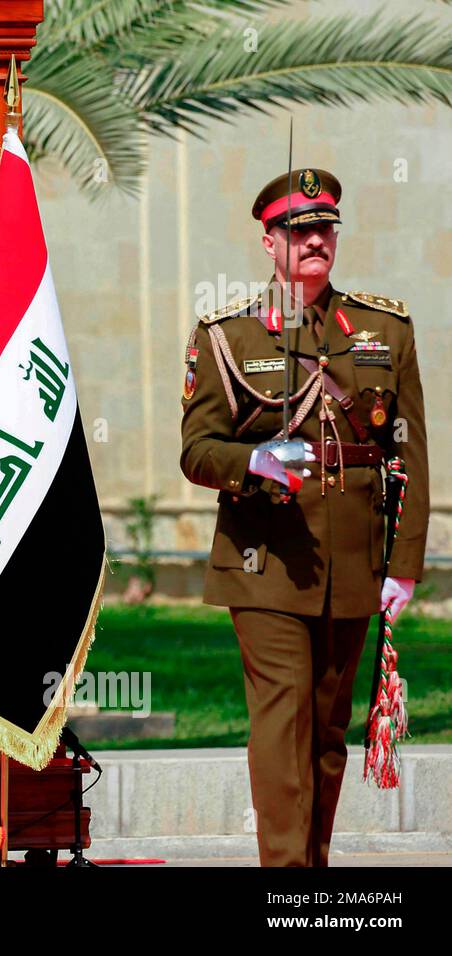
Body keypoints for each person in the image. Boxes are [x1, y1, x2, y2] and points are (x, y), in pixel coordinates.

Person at [180, 169, 428, 866]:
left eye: (325, 229)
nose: (315, 240)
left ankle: (310, 870)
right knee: (283, 723)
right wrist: (252, 463)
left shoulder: (385, 328)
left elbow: (410, 451)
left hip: (353, 562)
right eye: (298, 231)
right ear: (269, 243)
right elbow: (196, 451)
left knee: (327, 731)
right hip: (265, 560)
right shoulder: (226, 333)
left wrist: (403, 565)